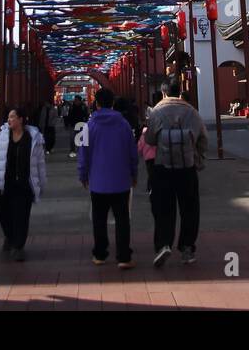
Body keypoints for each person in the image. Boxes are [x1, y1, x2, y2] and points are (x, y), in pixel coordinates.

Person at [144, 78, 209, 267]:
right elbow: (203, 138)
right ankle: (187, 247)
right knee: (190, 209)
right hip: (187, 168)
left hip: (162, 167)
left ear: (163, 93)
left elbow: (149, 140)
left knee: (164, 208)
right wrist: (197, 155)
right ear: (179, 92)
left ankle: (163, 244)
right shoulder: (191, 111)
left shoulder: (156, 112)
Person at [77, 88, 139, 269]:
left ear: (96, 103)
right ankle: (124, 256)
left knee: (99, 219)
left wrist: (83, 175)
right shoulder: (124, 125)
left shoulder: (89, 126)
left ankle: (100, 254)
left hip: (97, 182)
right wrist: (134, 174)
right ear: (112, 103)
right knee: (122, 219)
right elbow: (132, 153)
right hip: (121, 180)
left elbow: (83, 154)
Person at [0, 106, 47, 262]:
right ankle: (9, 237)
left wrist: (41, 184)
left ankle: (18, 246)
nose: (9, 120)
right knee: (5, 216)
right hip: (4, 184)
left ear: (21, 119)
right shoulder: (1, 136)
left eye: (12, 117)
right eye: (8, 117)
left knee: (21, 217)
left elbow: (40, 163)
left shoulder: (34, 138)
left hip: (24, 185)